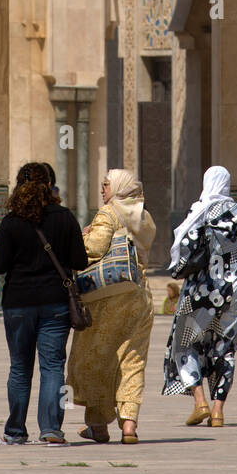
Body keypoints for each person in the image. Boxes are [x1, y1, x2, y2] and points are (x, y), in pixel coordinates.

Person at [0, 161, 87, 446]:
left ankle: (16, 432)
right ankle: (51, 430)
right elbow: (79, 260)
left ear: (19, 185)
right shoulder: (64, 217)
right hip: (56, 302)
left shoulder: (11, 222)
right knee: (53, 366)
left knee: (20, 367)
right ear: (49, 185)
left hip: (18, 303)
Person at [66, 168, 156, 445]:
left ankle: (98, 425)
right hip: (140, 297)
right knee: (132, 360)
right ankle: (129, 425)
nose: (102, 189)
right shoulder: (143, 215)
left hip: (107, 299)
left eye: (106, 184)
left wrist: (82, 235)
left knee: (98, 358)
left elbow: (93, 250)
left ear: (117, 187)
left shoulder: (108, 213)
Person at [162, 165, 237, 427]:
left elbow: (187, 248)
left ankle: (199, 400)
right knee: (225, 349)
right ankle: (217, 411)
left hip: (202, 290)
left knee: (184, 342)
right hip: (234, 293)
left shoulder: (201, 210)